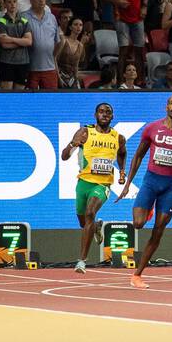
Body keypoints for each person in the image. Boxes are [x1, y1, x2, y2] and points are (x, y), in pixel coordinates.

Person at [115, 95, 172, 289]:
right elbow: (138, 156)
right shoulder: (152, 128)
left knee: (158, 229)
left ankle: (137, 275)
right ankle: (149, 209)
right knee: (138, 223)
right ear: (166, 107)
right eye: (171, 103)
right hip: (151, 181)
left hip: (170, 185)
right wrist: (128, 185)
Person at [60, 103, 126, 274]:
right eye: (101, 112)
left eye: (108, 112)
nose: (105, 115)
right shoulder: (85, 132)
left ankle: (81, 261)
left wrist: (122, 171)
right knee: (84, 223)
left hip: (102, 184)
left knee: (90, 213)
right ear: (95, 114)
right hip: (83, 183)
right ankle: (96, 226)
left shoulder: (118, 137)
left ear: (112, 117)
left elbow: (122, 153)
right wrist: (72, 144)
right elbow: (64, 157)